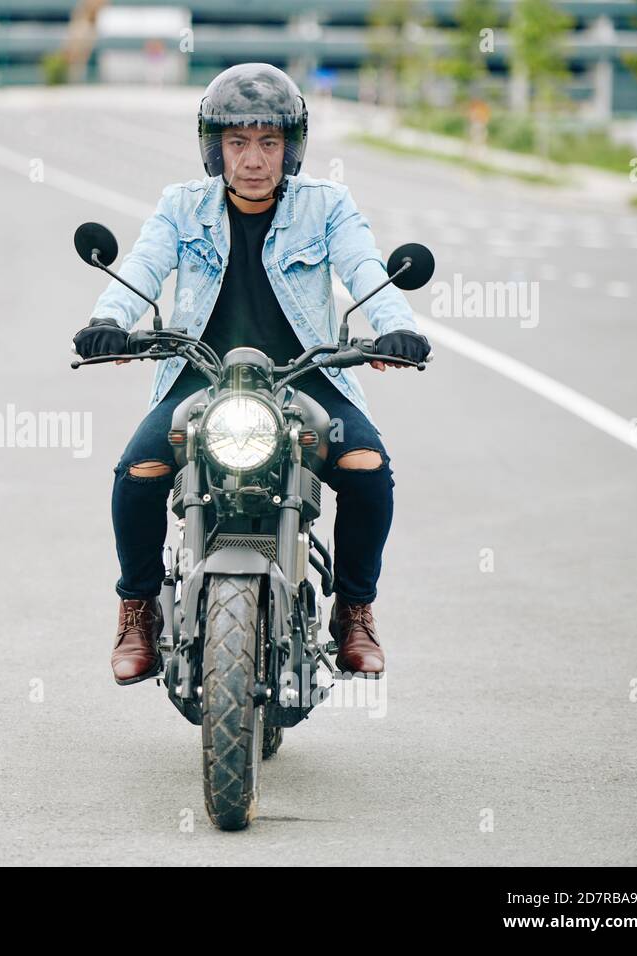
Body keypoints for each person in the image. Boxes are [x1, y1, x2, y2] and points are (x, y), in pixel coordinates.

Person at [71, 63, 431, 686]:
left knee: (369, 470)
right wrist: (108, 321)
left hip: (306, 379)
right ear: (216, 149)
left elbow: (368, 271)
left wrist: (396, 328)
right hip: (201, 379)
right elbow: (143, 265)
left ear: (291, 148)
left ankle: (354, 609)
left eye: (269, 142)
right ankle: (137, 610)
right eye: (238, 143)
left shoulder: (326, 205)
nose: (254, 159)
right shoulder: (181, 206)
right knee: (137, 473)